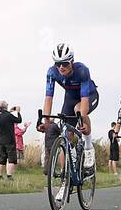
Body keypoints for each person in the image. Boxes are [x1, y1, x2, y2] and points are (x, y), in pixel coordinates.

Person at [38, 43, 98, 173]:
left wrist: (82, 121)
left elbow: (84, 100)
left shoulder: (82, 70)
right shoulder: (52, 72)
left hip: (88, 95)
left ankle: (88, 147)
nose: (61, 67)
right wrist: (46, 122)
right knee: (65, 133)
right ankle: (66, 175)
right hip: (70, 98)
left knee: (79, 111)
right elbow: (48, 98)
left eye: (65, 63)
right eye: (58, 63)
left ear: (72, 61)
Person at [0, 101, 22, 180]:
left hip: (1, 140)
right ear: (6, 106)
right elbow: (19, 120)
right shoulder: (9, 116)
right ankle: (9, 176)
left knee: (1, 159)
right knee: (11, 159)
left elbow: (4, 116)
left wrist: (9, 111)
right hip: (9, 140)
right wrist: (18, 112)